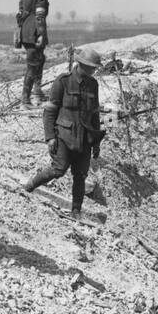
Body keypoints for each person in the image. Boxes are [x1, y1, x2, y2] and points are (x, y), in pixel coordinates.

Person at [22, 46, 104, 219]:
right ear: (80, 64)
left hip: (84, 139)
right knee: (58, 169)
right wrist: (50, 137)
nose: (93, 71)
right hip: (64, 136)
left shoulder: (93, 84)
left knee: (80, 176)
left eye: (94, 68)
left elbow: (94, 114)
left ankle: (76, 210)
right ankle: (30, 185)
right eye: (90, 67)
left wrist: (96, 142)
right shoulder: (63, 81)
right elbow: (50, 111)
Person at [17, 0, 58, 107]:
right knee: (33, 65)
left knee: (40, 60)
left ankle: (37, 92)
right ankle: (26, 99)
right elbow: (40, 15)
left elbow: (21, 11)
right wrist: (41, 34)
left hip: (25, 31)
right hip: (34, 32)